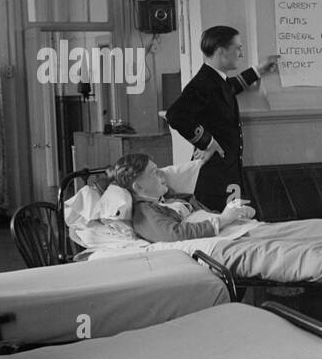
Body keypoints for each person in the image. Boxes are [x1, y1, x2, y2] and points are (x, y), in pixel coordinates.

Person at [164, 25, 277, 212]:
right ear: (222, 51)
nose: (241, 54)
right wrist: (207, 142)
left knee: (236, 221)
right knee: (224, 225)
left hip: (226, 171)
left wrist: (258, 71)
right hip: (214, 176)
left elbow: (230, 88)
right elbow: (175, 115)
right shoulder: (202, 83)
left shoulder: (216, 80)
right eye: (238, 48)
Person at [108, 153, 255, 243]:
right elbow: (174, 234)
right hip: (224, 240)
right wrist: (224, 219)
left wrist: (236, 215)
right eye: (154, 172)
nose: (162, 174)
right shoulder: (145, 212)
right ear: (139, 187)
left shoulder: (173, 199)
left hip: (234, 231)